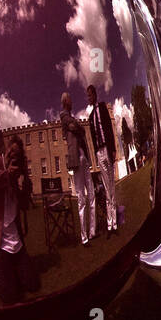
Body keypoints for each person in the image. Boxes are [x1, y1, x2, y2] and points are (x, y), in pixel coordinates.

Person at [0, 136, 38, 301]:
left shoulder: (16, 176)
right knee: (9, 294)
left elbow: (23, 206)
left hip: (15, 239)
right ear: (5, 150)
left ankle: (9, 266)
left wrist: (25, 186)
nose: (13, 156)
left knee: (32, 284)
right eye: (11, 151)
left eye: (17, 154)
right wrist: (8, 174)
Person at [60, 92, 93, 245]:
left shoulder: (71, 118)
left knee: (91, 194)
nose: (72, 102)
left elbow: (82, 130)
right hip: (76, 160)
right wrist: (78, 127)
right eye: (70, 99)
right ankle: (84, 236)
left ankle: (92, 231)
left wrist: (78, 128)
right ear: (66, 102)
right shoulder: (64, 116)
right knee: (81, 198)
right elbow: (75, 127)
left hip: (84, 157)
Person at [86, 84, 118, 237]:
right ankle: (109, 225)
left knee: (111, 186)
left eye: (90, 95)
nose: (89, 98)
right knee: (106, 188)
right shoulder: (90, 117)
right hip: (99, 152)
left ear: (95, 95)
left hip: (107, 149)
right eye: (88, 96)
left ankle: (115, 223)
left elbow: (109, 129)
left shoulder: (103, 107)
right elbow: (92, 138)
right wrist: (95, 156)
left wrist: (113, 150)